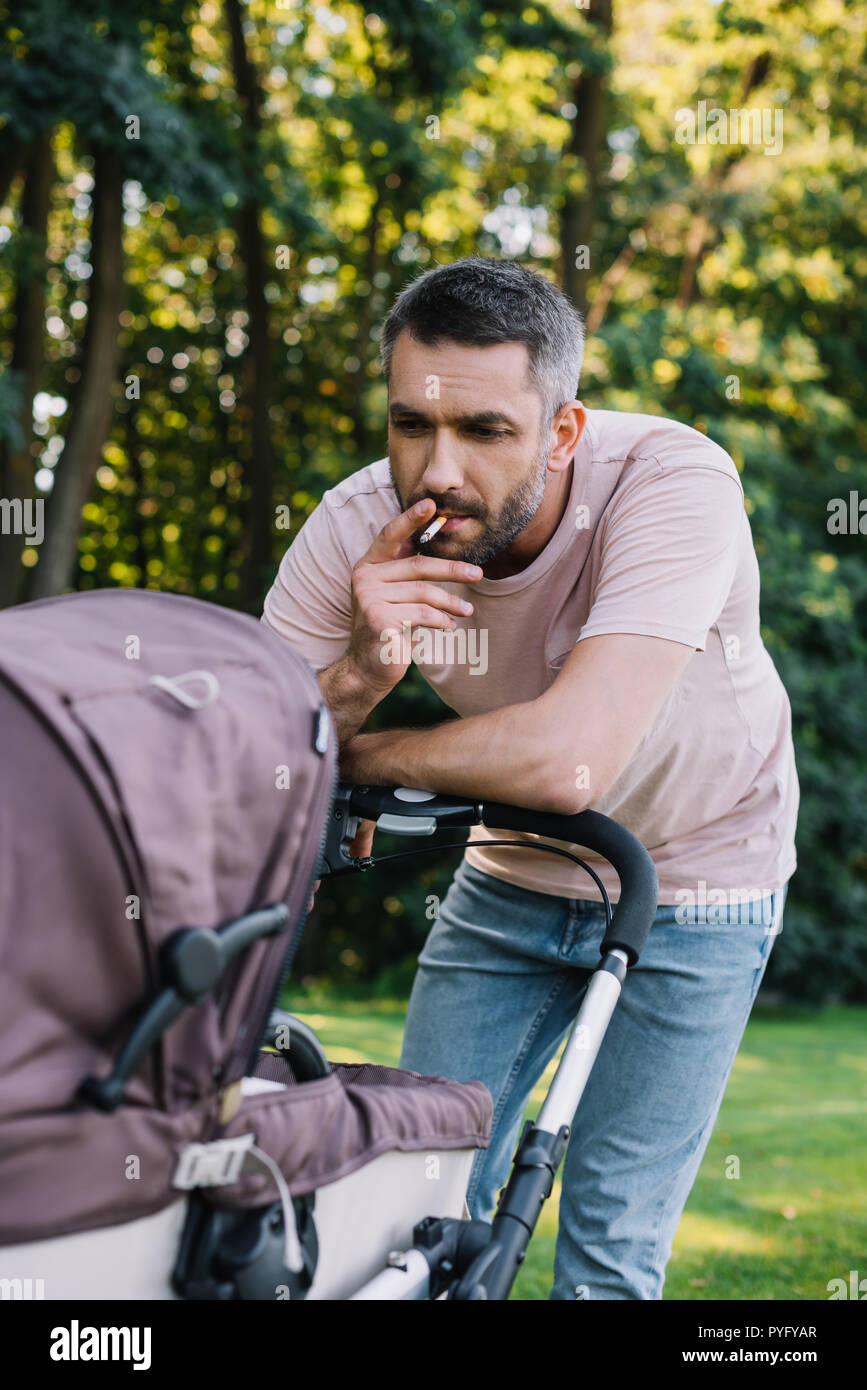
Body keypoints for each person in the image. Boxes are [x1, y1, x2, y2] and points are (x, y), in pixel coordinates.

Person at [261, 256, 798, 1299]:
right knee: (410, 1207)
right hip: (511, 876)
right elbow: (249, 753)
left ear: (561, 432)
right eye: (411, 423)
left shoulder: (674, 484)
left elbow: (568, 760)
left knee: (606, 1250)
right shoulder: (355, 524)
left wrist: (351, 760)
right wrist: (366, 672)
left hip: (703, 879)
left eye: (485, 431)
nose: (436, 471)